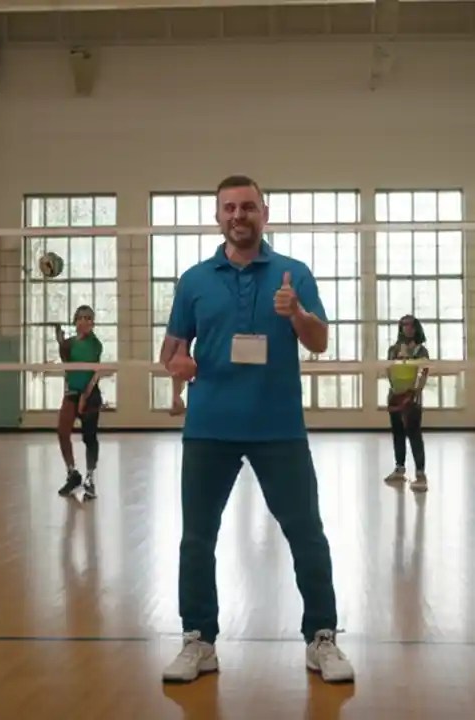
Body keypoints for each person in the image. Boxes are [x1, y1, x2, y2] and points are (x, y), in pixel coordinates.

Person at [158, 175, 353, 684]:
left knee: (307, 534)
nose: (238, 216)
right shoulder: (194, 280)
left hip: (278, 427)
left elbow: (319, 342)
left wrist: (297, 314)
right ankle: (198, 640)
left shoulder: (293, 273)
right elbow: (171, 352)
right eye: (229, 208)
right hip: (209, 429)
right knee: (196, 539)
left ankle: (322, 638)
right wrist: (177, 366)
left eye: (248, 207)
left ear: (264, 213)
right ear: (217, 216)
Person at [55, 305, 104, 498]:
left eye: (88, 318)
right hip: (72, 392)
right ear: (75, 321)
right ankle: (72, 473)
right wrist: (60, 341)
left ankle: (90, 478)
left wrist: (85, 396)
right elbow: (67, 365)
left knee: (89, 437)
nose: (84, 321)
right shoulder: (70, 344)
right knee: (62, 431)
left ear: (92, 323)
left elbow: (95, 371)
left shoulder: (95, 344)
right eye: (80, 318)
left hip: (89, 393)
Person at [383, 315, 430, 491]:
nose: (407, 329)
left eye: (410, 325)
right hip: (395, 395)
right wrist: (395, 389)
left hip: (412, 398)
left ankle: (420, 474)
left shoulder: (421, 351)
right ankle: (399, 468)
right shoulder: (393, 350)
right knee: (398, 433)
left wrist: (415, 392)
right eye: (403, 325)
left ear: (416, 328)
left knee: (414, 434)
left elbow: (424, 373)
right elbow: (389, 369)